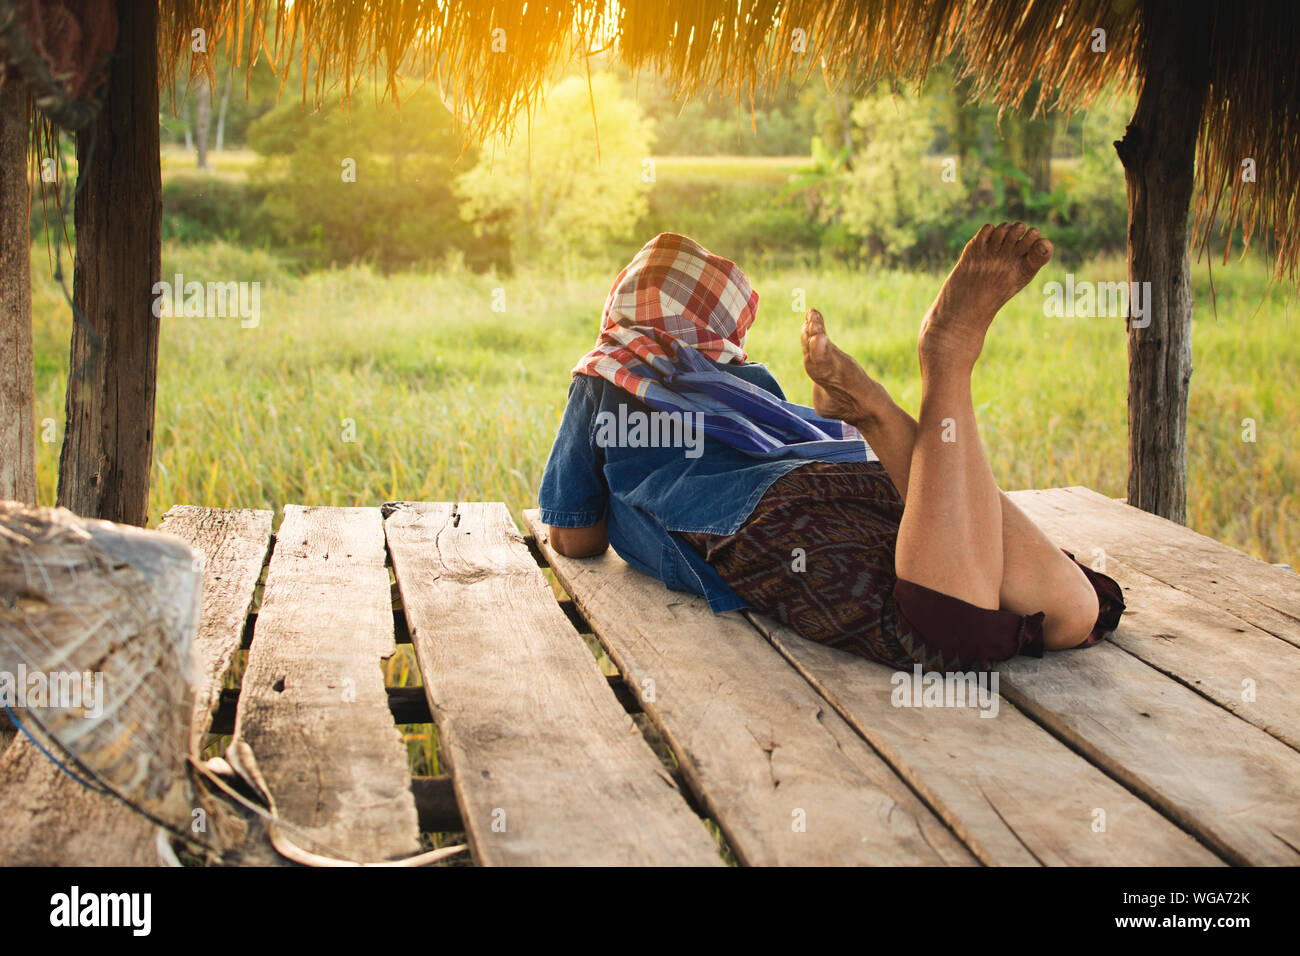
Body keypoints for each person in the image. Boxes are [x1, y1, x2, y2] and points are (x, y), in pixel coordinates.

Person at [538, 228, 1123, 671]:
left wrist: (617, 509)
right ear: (722, 334)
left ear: (617, 313)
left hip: (762, 521)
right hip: (850, 476)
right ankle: (880, 417)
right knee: (1069, 613)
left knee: (950, 629)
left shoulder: (603, 381)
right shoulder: (750, 380)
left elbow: (574, 536)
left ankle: (945, 360)